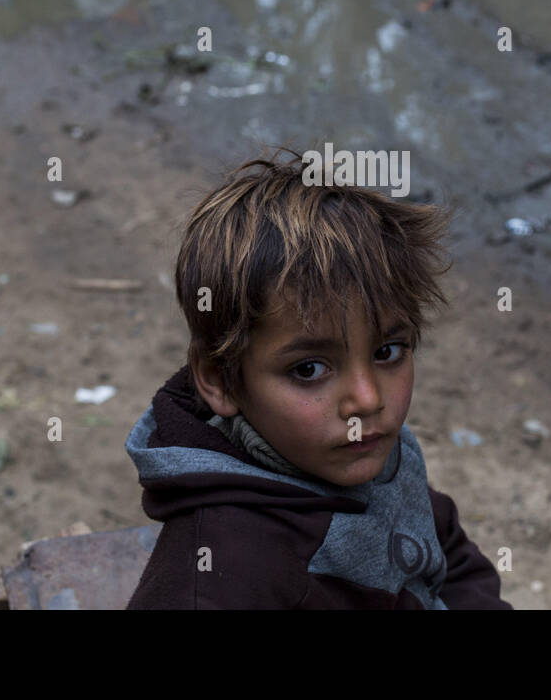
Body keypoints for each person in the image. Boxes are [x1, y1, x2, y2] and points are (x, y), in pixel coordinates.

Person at [124, 150, 511, 609]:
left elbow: (448, 554)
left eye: (387, 352)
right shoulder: (219, 578)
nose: (367, 400)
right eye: (308, 370)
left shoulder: (377, 454)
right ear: (219, 380)